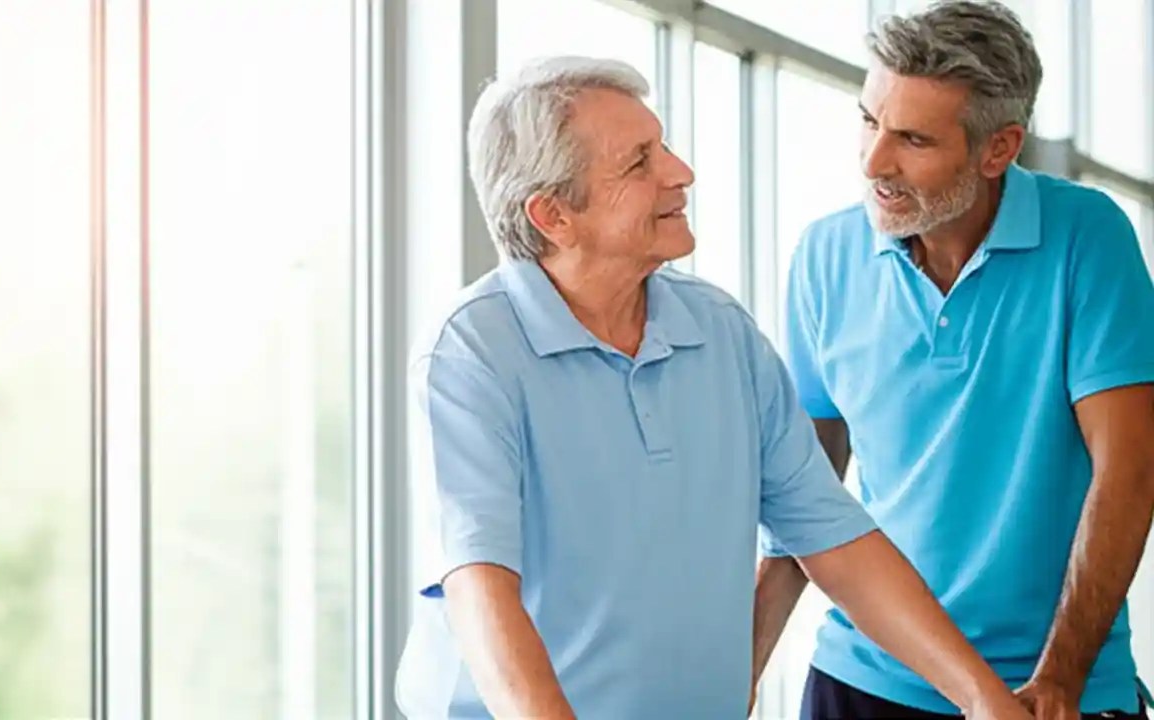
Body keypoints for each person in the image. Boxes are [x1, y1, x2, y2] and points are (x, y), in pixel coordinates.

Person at [394, 55, 1031, 719]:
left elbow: (836, 541)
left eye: (661, 145)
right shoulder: (472, 352)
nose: (680, 172)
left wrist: (984, 699)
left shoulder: (719, 331)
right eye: (639, 162)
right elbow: (479, 588)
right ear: (553, 214)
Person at [754, 2, 1154, 718]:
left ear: (997, 150)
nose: (875, 161)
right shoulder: (825, 255)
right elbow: (803, 492)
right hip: (864, 678)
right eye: (869, 120)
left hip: (1049, 689)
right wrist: (743, 665)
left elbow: (1130, 470)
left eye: (912, 138)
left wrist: (1061, 677)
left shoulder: (1087, 239)